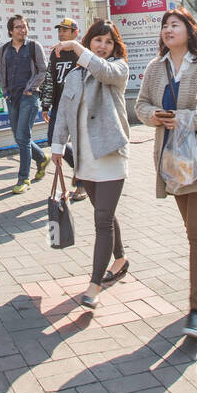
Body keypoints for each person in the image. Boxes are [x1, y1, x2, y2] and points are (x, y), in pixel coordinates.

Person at [134, 6, 197, 340]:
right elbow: (141, 105)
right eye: (164, 25)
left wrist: (186, 119)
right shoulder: (155, 67)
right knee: (196, 232)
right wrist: (156, 116)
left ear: (190, 29)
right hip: (172, 160)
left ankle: (196, 310)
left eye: (174, 24)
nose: (167, 29)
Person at [49, 19, 131, 308]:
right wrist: (57, 146)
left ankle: (94, 285)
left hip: (110, 156)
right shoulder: (74, 76)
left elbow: (103, 70)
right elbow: (62, 113)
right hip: (85, 159)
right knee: (103, 213)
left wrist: (76, 47)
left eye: (109, 42)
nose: (104, 46)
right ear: (91, 40)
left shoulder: (118, 68)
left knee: (102, 221)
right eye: (98, 40)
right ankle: (119, 259)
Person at [0, 14, 50, 194]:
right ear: (11, 31)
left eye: (24, 26)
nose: (23, 30)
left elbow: (43, 70)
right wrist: (4, 92)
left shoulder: (34, 47)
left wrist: (31, 89)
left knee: (23, 136)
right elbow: (1, 70)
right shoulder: (5, 49)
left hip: (29, 97)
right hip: (12, 98)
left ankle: (23, 178)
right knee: (19, 137)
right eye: (18, 27)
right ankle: (42, 158)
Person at [41, 18, 86, 201]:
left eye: (65, 30)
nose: (61, 34)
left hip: (79, 106)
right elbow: (50, 80)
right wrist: (46, 105)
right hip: (59, 106)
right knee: (53, 140)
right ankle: (79, 168)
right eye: (59, 30)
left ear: (75, 33)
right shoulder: (55, 54)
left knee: (79, 144)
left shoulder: (81, 54)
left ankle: (82, 185)